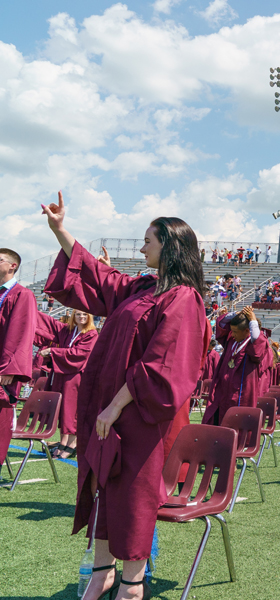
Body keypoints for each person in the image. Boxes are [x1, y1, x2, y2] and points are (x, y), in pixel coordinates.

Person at [42, 193, 207, 600]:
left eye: (148, 240)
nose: (141, 247)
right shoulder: (144, 288)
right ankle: (102, 574)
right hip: (112, 414)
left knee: (133, 494)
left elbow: (164, 366)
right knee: (102, 486)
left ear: (170, 245)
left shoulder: (183, 299)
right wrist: (61, 231)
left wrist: (116, 405)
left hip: (142, 419)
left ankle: (131, 584)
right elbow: (100, 277)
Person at [34, 309, 99, 459]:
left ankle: (73, 443)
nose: (81, 317)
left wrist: (53, 352)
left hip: (76, 378)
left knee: (72, 411)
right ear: (73, 316)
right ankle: (63, 441)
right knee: (63, 410)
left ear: (89, 316)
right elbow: (49, 323)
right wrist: (29, 309)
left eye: (84, 314)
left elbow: (80, 354)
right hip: (62, 375)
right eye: (78, 314)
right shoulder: (68, 330)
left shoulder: (91, 334)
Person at [0, 247, 38, 469]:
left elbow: (20, 332)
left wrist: (8, 369)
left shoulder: (22, 294)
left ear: (12, 265)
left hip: (3, 372)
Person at [202, 306, 272, 425]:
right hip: (224, 388)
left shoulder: (253, 344)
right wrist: (237, 314)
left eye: (235, 331)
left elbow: (256, 337)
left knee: (237, 421)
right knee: (218, 417)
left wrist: (252, 320)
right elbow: (222, 323)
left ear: (246, 331)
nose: (232, 334)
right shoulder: (231, 341)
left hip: (241, 390)